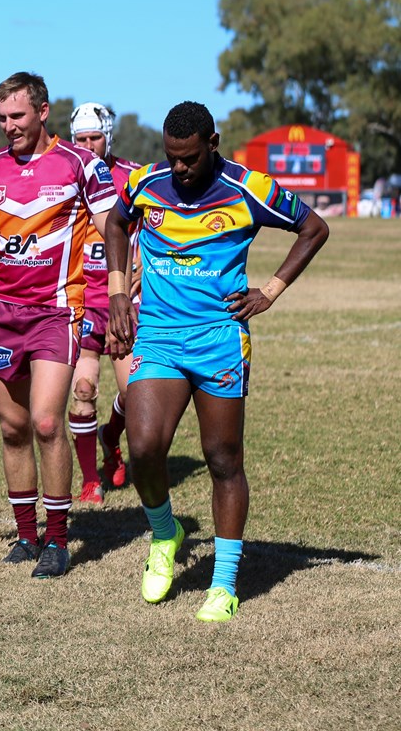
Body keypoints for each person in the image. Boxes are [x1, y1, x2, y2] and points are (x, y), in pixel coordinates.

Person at [105, 101, 329, 622]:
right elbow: (117, 224)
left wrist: (270, 291)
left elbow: (313, 228)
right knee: (143, 449)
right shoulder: (145, 181)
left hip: (219, 339)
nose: (179, 169)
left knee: (223, 459)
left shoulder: (252, 188)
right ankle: (166, 534)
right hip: (158, 335)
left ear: (213, 142)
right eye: (172, 157)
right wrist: (118, 291)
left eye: (188, 158)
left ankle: (223, 584)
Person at [0, 72, 117, 579]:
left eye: (18, 116)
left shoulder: (81, 165)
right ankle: (27, 535)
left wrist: (122, 290)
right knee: (13, 428)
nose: (9, 126)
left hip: (58, 311)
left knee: (47, 422)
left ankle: (58, 539)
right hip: (4, 315)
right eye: (3, 118)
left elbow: (113, 229)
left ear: (43, 112)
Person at [66, 102, 142, 503]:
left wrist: (133, 290)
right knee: (82, 389)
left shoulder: (131, 176)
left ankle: (111, 433)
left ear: (108, 137)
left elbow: (148, 234)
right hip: (81, 302)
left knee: (135, 393)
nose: (88, 145)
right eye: (81, 139)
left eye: (95, 138)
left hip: (122, 302)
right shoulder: (63, 174)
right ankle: (89, 478)